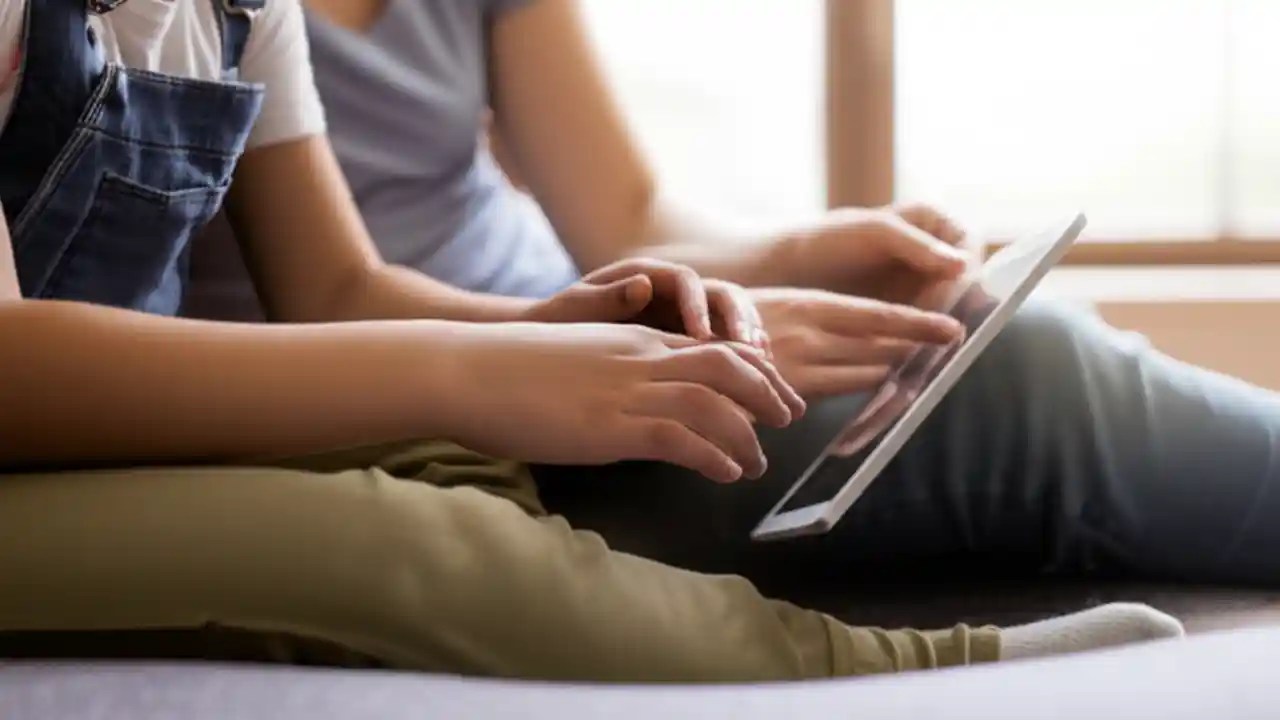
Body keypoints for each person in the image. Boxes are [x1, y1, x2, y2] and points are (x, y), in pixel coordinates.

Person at [0, 0, 1181, 682]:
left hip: (90, 445)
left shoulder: (240, 13)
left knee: (464, 469)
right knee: (391, 538)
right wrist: (474, 369)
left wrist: (553, 331)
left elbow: (334, 284)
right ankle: (900, 681)